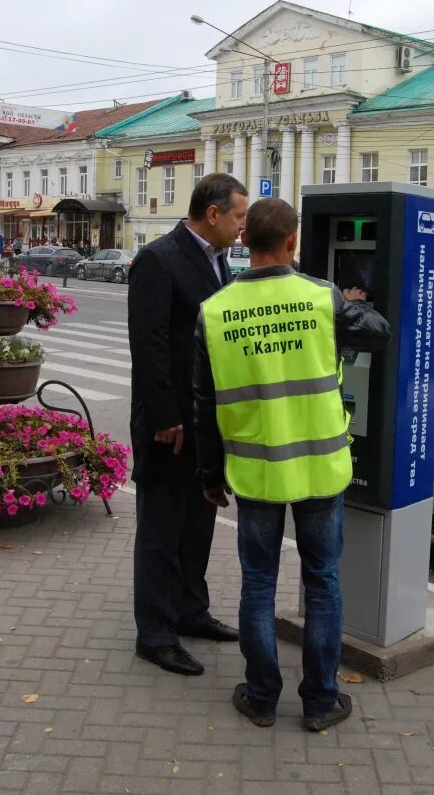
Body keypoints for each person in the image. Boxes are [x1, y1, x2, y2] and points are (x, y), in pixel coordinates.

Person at [193, 199, 392, 731]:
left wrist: (210, 476)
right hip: (320, 468)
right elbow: (379, 331)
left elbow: (204, 404)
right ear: (292, 242)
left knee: (258, 583)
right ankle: (321, 702)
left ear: (244, 241)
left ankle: (261, 698)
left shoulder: (215, 310)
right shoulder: (321, 297)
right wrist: (357, 303)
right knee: (323, 581)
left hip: (256, 471)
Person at [129, 173, 248, 677]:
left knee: (198, 523)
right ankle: (155, 634)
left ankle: (190, 612)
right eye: (239, 216)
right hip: (170, 424)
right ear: (213, 213)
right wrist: (165, 417)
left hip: (205, 423)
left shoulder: (220, 262)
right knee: (161, 528)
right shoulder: (158, 259)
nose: (244, 227)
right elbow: (150, 344)